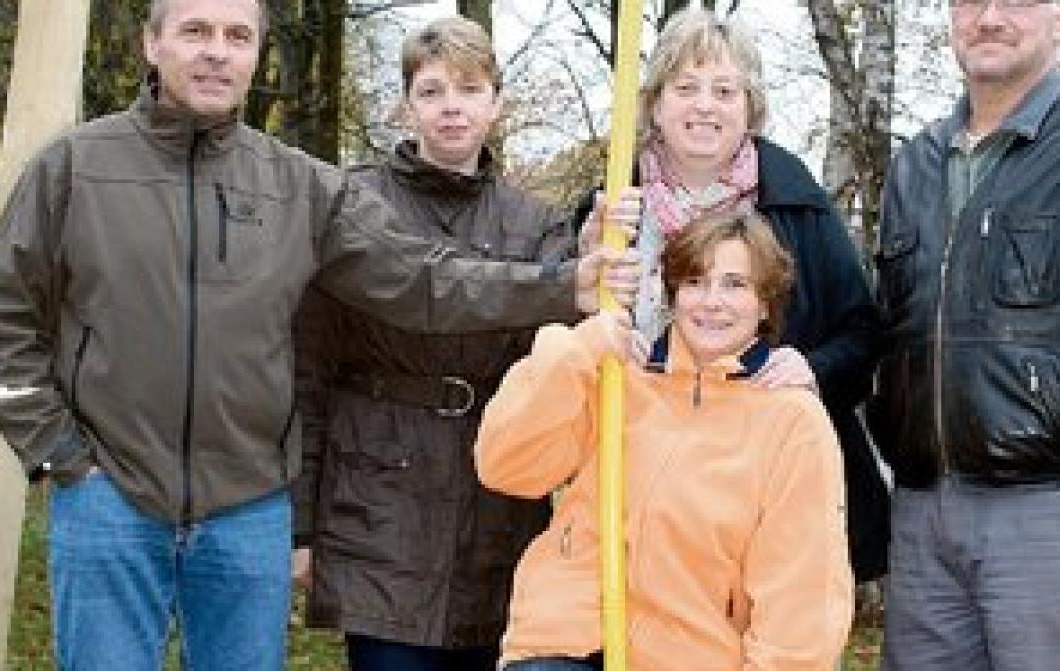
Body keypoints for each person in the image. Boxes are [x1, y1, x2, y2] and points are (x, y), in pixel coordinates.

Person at [0, 0, 638, 669]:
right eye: (195, 31)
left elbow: (424, 279)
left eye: (237, 36)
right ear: (151, 42)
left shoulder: (301, 186)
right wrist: (57, 452)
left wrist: (563, 286)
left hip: (247, 509)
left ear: (256, 53)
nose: (216, 51)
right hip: (111, 497)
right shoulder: (75, 166)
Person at [287, 17, 639, 671]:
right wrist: (299, 526)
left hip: (496, 509)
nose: (452, 107)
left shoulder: (536, 225)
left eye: (470, 89)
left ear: (497, 103)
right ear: (405, 105)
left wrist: (587, 266)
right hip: (377, 503)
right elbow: (307, 371)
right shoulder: (353, 205)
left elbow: (562, 368)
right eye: (431, 90)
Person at [867, 1, 1060, 669]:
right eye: (971, 1)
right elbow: (886, 328)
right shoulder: (913, 165)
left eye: (1018, 0)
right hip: (921, 517)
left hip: (1049, 515)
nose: (991, 17)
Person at [574, 7, 886, 582]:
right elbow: (567, 349)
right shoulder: (614, 209)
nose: (704, 106)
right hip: (642, 491)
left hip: (766, 499)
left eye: (724, 91)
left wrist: (813, 370)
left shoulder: (796, 206)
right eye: (685, 88)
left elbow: (862, 333)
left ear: (750, 107)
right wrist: (585, 302)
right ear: (655, 104)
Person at [474, 212, 854, 670]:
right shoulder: (618, 381)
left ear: (765, 305)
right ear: (673, 295)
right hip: (565, 642)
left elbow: (802, 592)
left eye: (735, 285)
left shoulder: (791, 421)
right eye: (695, 282)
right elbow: (504, 466)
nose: (712, 302)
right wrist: (575, 351)